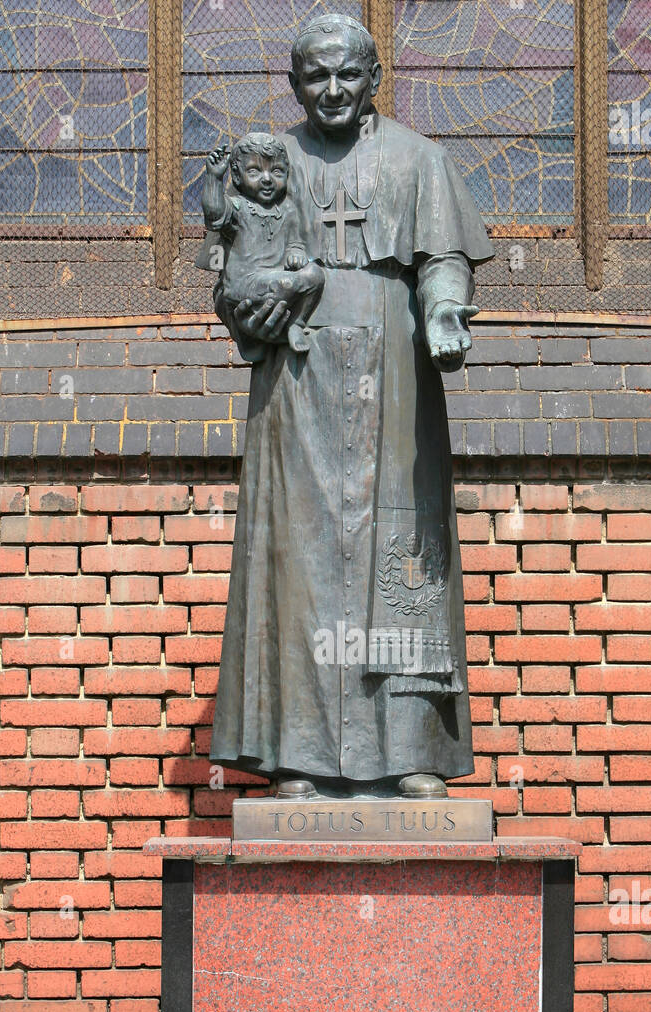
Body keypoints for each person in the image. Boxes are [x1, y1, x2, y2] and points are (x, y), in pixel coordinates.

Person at [207, 12, 493, 799]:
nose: (331, 89)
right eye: (314, 76)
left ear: (373, 79)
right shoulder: (269, 162)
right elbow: (235, 268)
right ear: (295, 82)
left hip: (395, 370)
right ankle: (295, 756)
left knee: (400, 554)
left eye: (346, 74)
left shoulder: (417, 161)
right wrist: (246, 308)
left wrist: (442, 310)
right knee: (296, 554)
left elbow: (443, 260)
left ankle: (412, 753)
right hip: (297, 381)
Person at [199, 133, 324, 355]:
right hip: (246, 283)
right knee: (285, 283)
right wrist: (214, 179)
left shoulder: (288, 211)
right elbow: (215, 215)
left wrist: (295, 253)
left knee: (314, 274)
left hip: (276, 281)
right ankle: (284, 323)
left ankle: (296, 323)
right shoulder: (238, 207)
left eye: (276, 171)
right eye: (255, 171)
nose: (267, 179)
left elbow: (296, 243)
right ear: (237, 178)